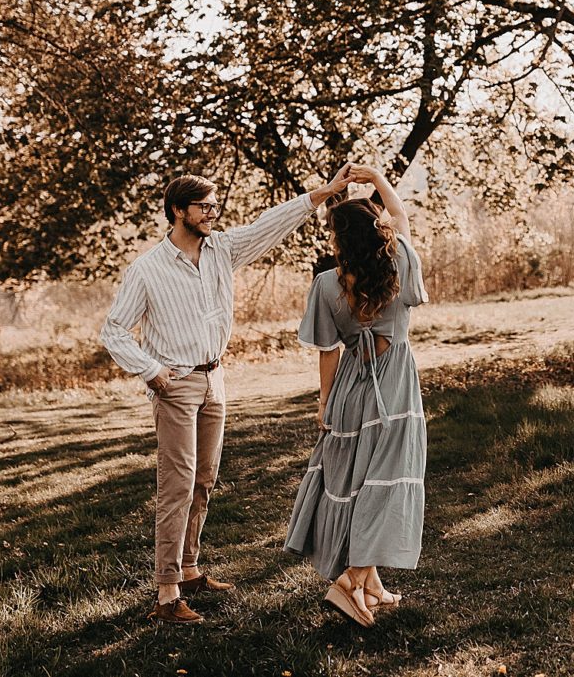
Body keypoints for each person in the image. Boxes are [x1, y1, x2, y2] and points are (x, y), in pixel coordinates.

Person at [102, 167, 353, 624]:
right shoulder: (147, 269)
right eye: (204, 207)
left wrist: (326, 193)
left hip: (215, 379)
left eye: (215, 206)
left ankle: (192, 568)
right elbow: (114, 331)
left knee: (204, 481)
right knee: (175, 486)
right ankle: (166, 593)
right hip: (175, 385)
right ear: (178, 211)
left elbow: (269, 225)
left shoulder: (221, 248)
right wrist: (151, 371)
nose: (213, 214)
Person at [284, 165, 428, 627]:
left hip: (350, 388)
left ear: (338, 241)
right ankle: (351, 579)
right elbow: (401, 216)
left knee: (354, 482)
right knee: (388, 479)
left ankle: (373, 584)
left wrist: (325, 400)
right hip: (393, 387)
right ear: (377, 229)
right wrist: (376, 178)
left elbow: (327, 351)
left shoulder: (327, 283)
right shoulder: (398, 262)